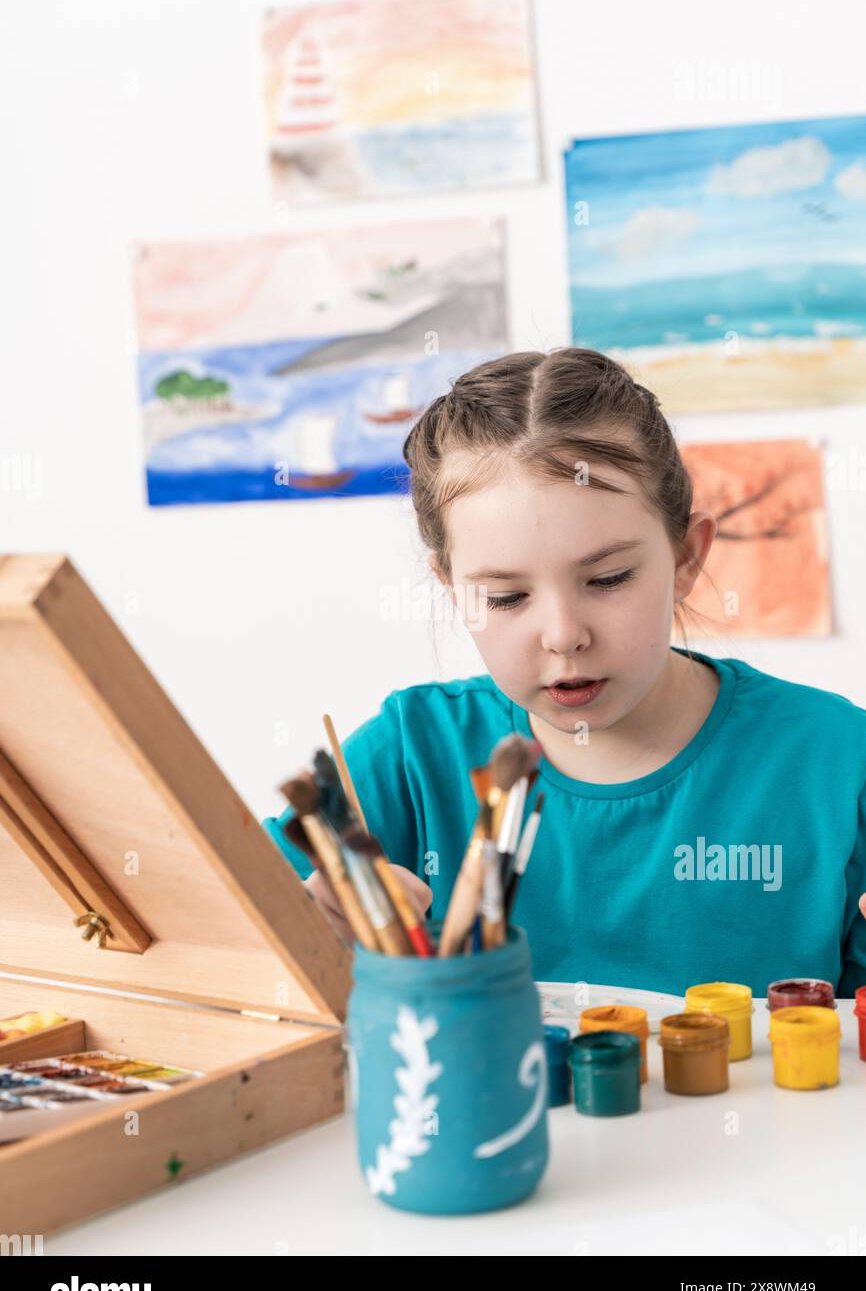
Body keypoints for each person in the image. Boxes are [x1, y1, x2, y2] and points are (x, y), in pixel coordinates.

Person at [263, 347, 866, 997]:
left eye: (607, 579)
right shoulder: (408, 752)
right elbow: (222, 954)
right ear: (452, 589)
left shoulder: (837, 760)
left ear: (687, 558)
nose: (563, 635)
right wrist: (298, 948)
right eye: (505, 597)